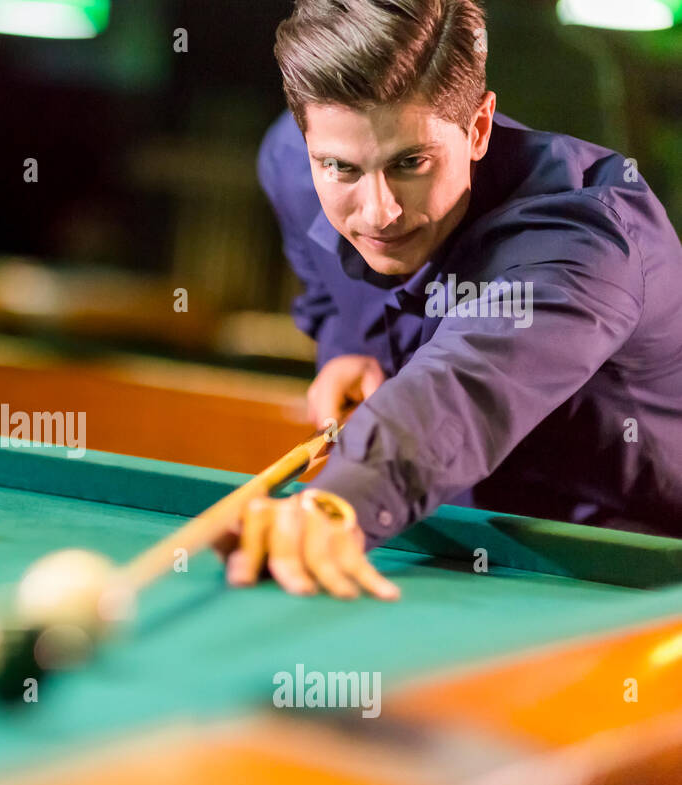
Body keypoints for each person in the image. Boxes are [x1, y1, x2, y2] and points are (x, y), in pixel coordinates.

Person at [218, 0, 682, 599]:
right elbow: (329, 293)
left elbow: (458, 390)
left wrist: (335, 504)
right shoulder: (292, 161)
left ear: (478, 128)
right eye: (340, 168)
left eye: (411, 162)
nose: (379, 212)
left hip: (635, 570)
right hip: (441, 544)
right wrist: (348, 349)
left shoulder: (585, 240)